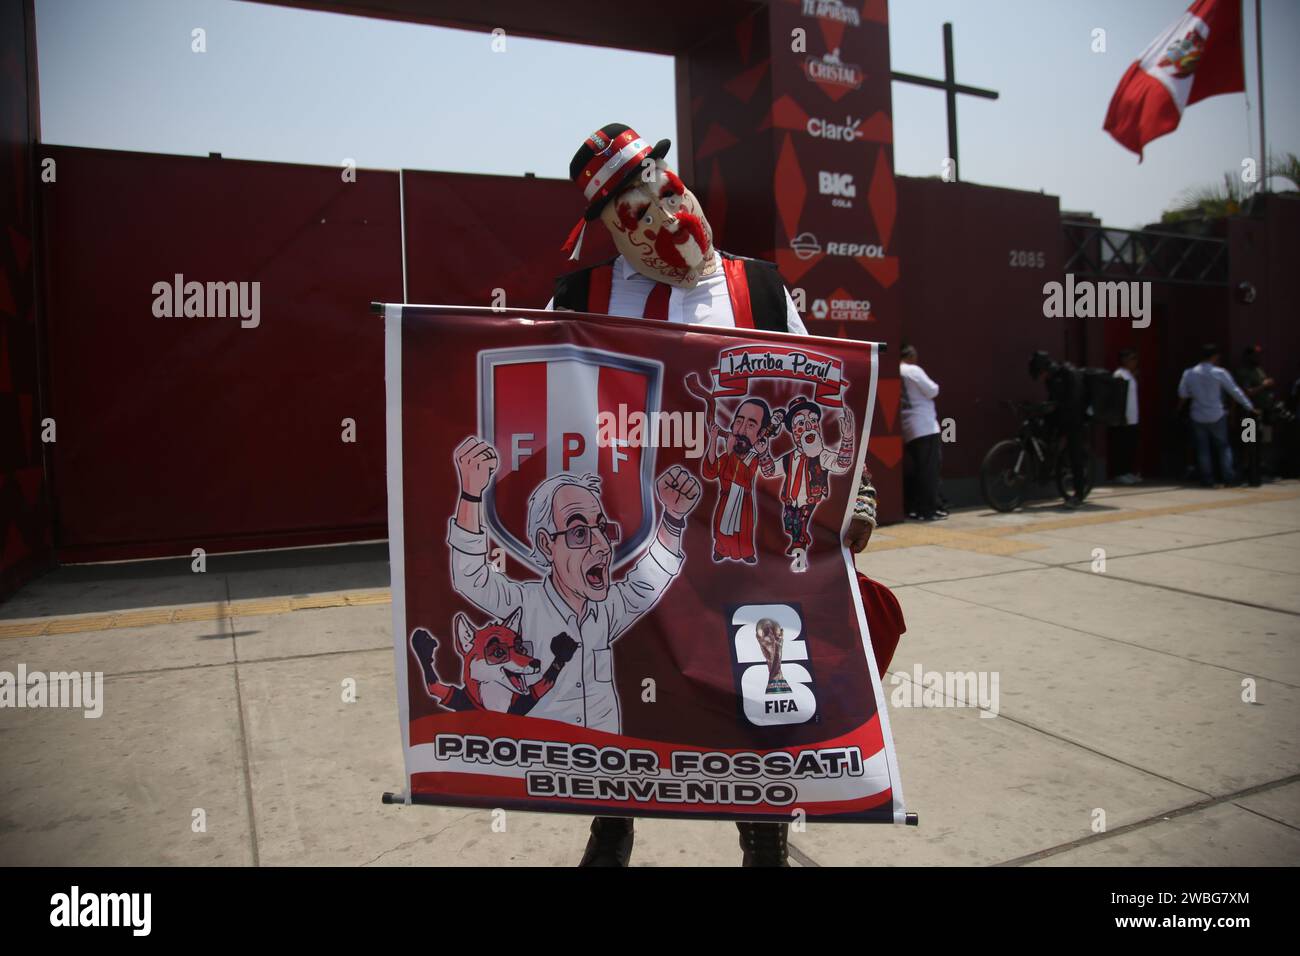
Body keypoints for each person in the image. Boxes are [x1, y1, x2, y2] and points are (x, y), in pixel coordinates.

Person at [547, 124, 878, 867]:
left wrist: (855, 492)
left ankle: (763, 830)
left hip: (747, 536)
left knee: (756, 681)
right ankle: (613, 819)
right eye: (635, 211)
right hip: (628, 536)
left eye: (667, 191)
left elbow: (821, 398)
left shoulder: (758, 287)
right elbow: (542, 415)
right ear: (606, 229)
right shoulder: (578, 294)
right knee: (620, 680)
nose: (664, 217)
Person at [1177, 343, 1258, 487]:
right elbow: (1235, 391)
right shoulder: (1220, 372)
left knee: (1203, 449)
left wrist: (1177, 410)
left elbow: (1183, 394)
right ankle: (1228, 477)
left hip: (1197, 415)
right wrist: (1249, 406)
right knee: (1223, 447)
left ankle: (1207, 480)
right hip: (1217, 414)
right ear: (1214, 356)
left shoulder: (1188, 373)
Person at [1028, 350, 1089, 507]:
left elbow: (1074, 398)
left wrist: (1058, 406)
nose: (1040, 378)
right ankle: (1047, 466)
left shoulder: (1067, 373)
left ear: (1044, 368)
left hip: (1074, 418)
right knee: (1042, 431)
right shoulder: (1050, 379)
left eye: (1039, 373)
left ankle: (1079, 494)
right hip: (1060, 416)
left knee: (1075, 453)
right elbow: (1052, 398)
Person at [899, 344, 944, 520]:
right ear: (911, 355)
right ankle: (927, 510)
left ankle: (917, 507)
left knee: (918, 470)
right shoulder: (912, 369)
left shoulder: (896, 370)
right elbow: (933, 390)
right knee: (929, 471)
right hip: (925, 426)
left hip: (908, 427)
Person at [1234, 345, 1276, 486]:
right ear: (1248, 357)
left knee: (1265, 440)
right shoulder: (1243, 372)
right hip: (1250, 413)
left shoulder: (1258, 370)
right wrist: (1264, 385)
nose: (1258, 358)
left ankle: (1261, 467)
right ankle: (1248, 470)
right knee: (1248, 442)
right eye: (1255, 355)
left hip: (1265, 411)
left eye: (1259, 355)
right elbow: (1246, 393)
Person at [1111, 348, 1141, 485]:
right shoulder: (1119, 374)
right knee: (1121, 446)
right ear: (1124, 360)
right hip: (1123, 418)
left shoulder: (1130, 374)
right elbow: (1116, 397)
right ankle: (1119, 473)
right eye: (1132, 358)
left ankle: (1128, 471)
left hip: (1133, 417)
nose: (1135, 361)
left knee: (1129, 446)